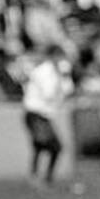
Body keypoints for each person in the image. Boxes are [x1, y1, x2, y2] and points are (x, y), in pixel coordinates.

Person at [22, 43, 72, 186]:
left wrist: (65, 76)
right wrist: (59, 78)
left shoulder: (58, 73)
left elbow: (68, 90)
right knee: (44, 144)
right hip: (35, 113)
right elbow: (49, 93)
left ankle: (44, 178)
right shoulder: (43, 72)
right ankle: (36, 177)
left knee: (53, 147)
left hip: (45, 115)